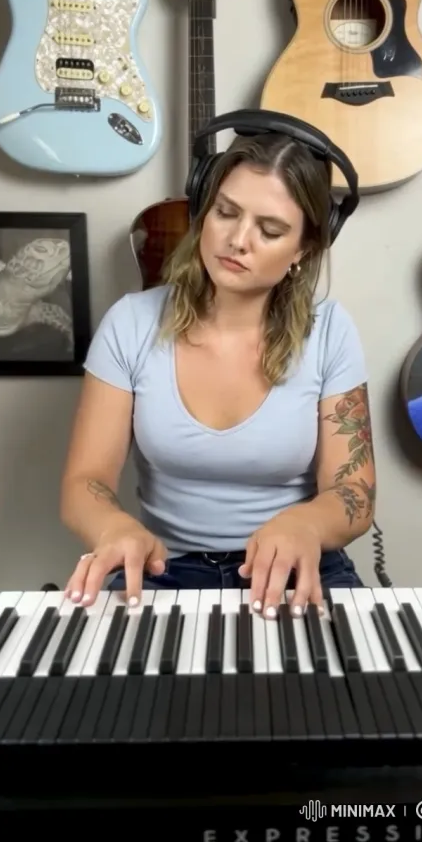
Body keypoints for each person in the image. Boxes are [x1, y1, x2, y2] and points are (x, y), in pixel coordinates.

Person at [60, 124, 376, 619]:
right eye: (225, 212)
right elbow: (85, 481)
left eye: (269, 230)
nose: (237, 240)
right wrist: (112, 529)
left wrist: (309, 525)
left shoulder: (331, 331)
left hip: (295, 568)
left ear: (303, 250)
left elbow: (354, 489)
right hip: (166, 569)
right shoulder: (130, 322)